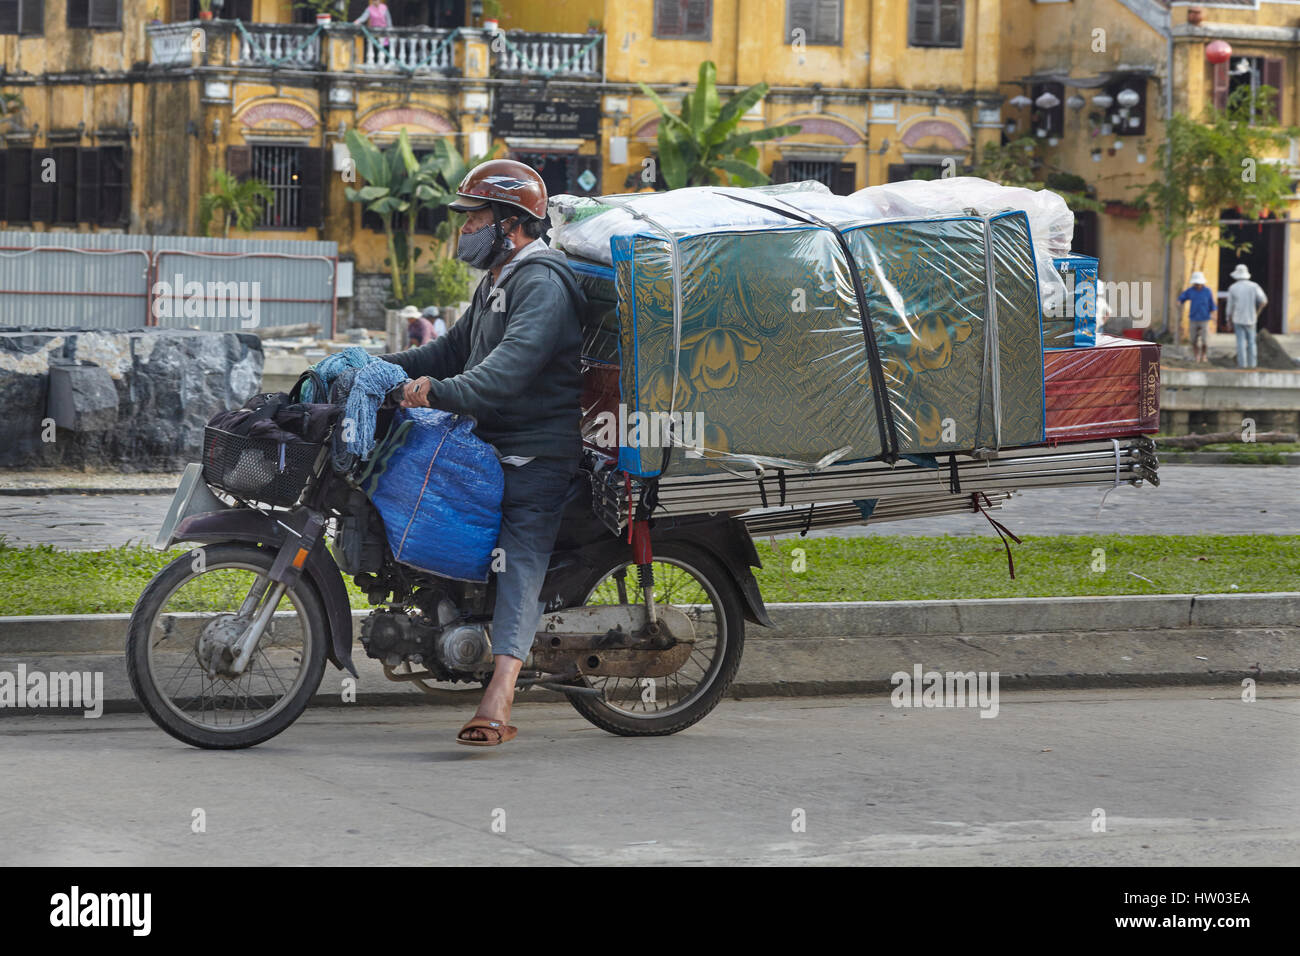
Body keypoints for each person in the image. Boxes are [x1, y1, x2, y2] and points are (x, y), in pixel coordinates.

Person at [378, 159, 585, 748]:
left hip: (534, 454)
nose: (464, 230)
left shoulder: (541, 283)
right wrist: (370, 366)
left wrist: (435, 394)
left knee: (519, 555)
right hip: (490, 444)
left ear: (513, 225)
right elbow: (445, 353)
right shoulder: (496, 281)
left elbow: (502, 375)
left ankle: (499, 696)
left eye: (475, 218)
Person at [1224, 263, 1267, 369]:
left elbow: (1229, 307)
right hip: (1251, 318)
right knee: (1252, 343)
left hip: (1238, 318)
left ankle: (1242, 365)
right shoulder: (1254, 286)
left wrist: (1228, 321)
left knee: (1240, 343)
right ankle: (1252, 365)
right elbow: (1264, 301)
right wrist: (1257, 313)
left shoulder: (1233, 288)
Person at [1176, 271, 1216, 363]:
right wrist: (1179, 302)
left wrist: (1214, 315)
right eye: (1196, 283)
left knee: (1205, 340)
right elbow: (1182, 297)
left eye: (1199, 283)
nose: (1198, 285)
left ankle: (1204, 355)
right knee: (1193, 339)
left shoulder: (1207, 291)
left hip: (1204, 318)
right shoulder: (1190, 291)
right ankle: (1196, 356)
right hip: (1193, 318)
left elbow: (1212, 305)